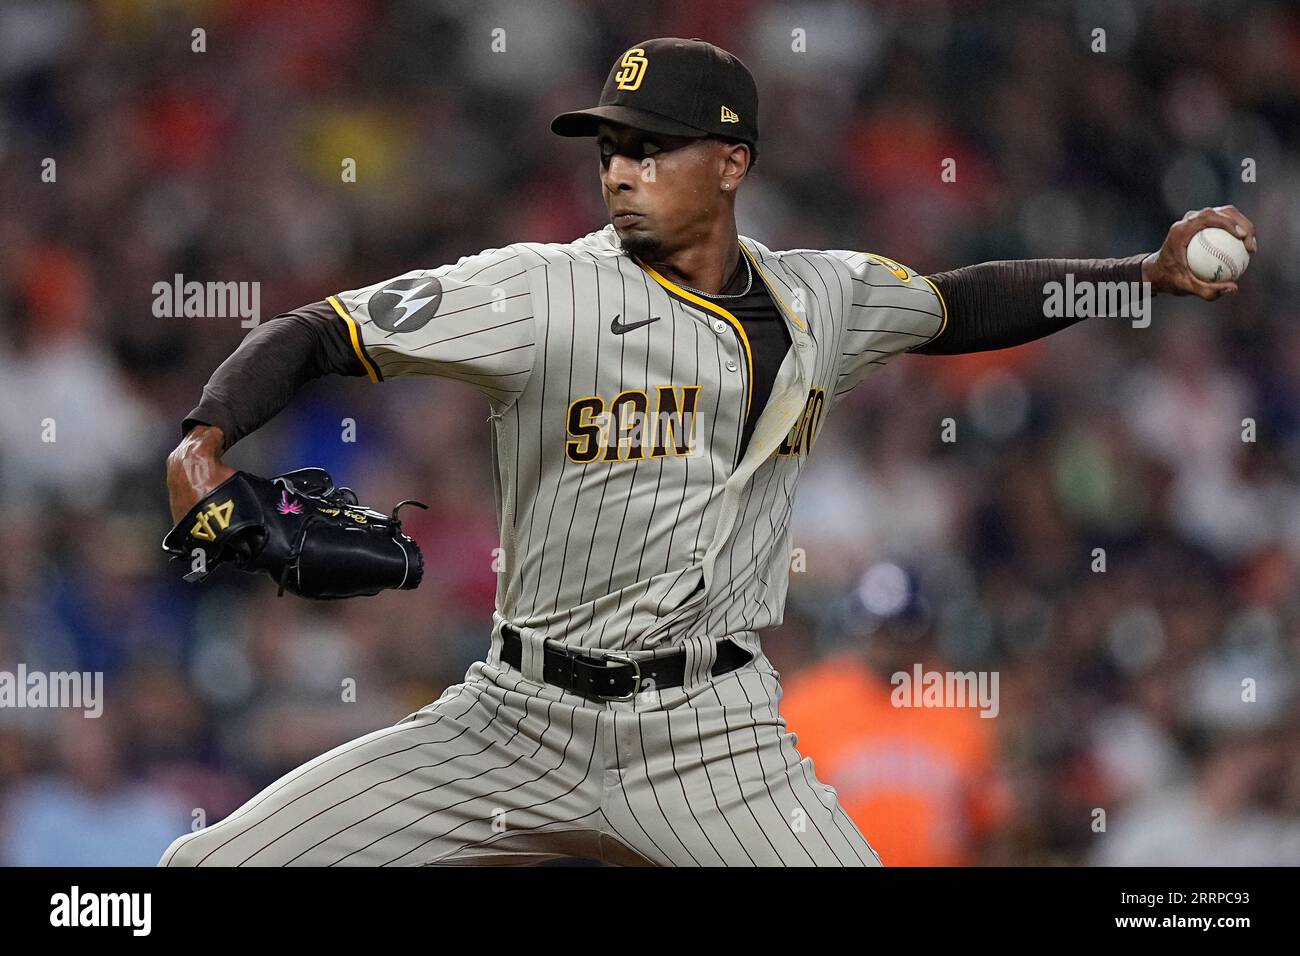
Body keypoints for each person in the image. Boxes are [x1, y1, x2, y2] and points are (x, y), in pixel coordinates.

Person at [161, 37, 1255, 866]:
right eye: (610, 148)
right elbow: (315, 330)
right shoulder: (541, 290)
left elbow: (958, 306)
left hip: (709, 736)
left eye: (650, 147)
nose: (619, 170)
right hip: (513, 716)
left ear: (731, 162)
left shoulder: (824, 297)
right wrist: (200, 448)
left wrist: (1138, 275)